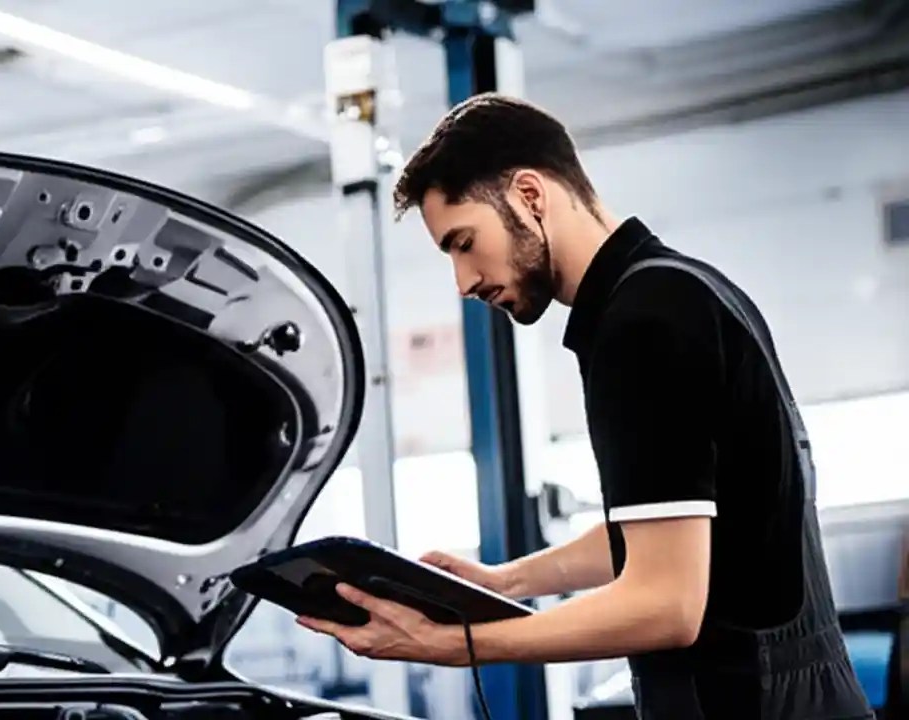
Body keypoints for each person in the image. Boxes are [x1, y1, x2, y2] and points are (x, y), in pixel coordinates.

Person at [295, 93, 875, 719]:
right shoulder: (688, 289)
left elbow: (666, 604)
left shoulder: (643, 323)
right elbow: (668, 532)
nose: (463, 283)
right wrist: (503, 582)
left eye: (463, 242)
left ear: (529, 195)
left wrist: (460, 644)